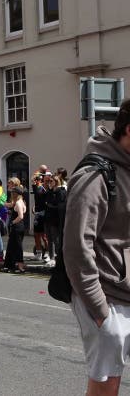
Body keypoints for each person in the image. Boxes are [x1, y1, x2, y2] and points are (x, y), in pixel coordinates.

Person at [64, 99, 130, 396]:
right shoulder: (97, 174)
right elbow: (77, 246)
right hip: (108, 295)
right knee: (107, 387)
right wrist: (100, 310)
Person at [1, 185, 26, 273]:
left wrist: (12, 222)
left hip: (17, 227)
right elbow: (11, 205)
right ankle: (9, 266)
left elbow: (20, 216)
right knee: (12, 247)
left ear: (15, 194)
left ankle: (20, 267)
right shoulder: (20, 201)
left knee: (17, 247)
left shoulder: (19, 203)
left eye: (12, 193)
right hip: (19, 227)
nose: (11, 194)